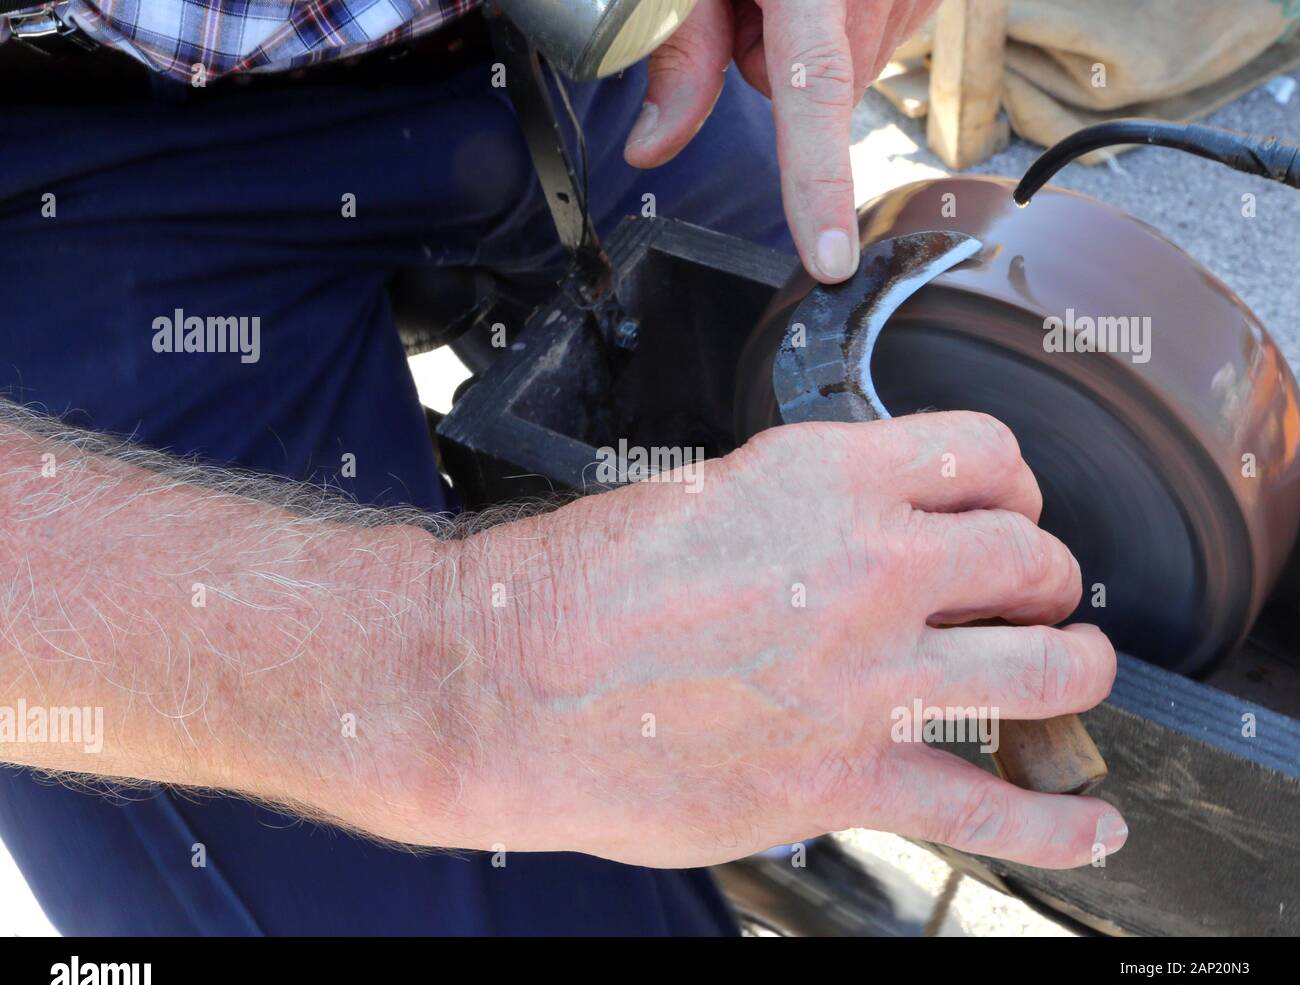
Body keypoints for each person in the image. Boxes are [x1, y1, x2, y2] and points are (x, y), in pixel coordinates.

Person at [0, 0, 1126, 936]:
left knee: (987, 447)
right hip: (47, 168)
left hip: (559, 39)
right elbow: (457, 686)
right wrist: (461, 674)